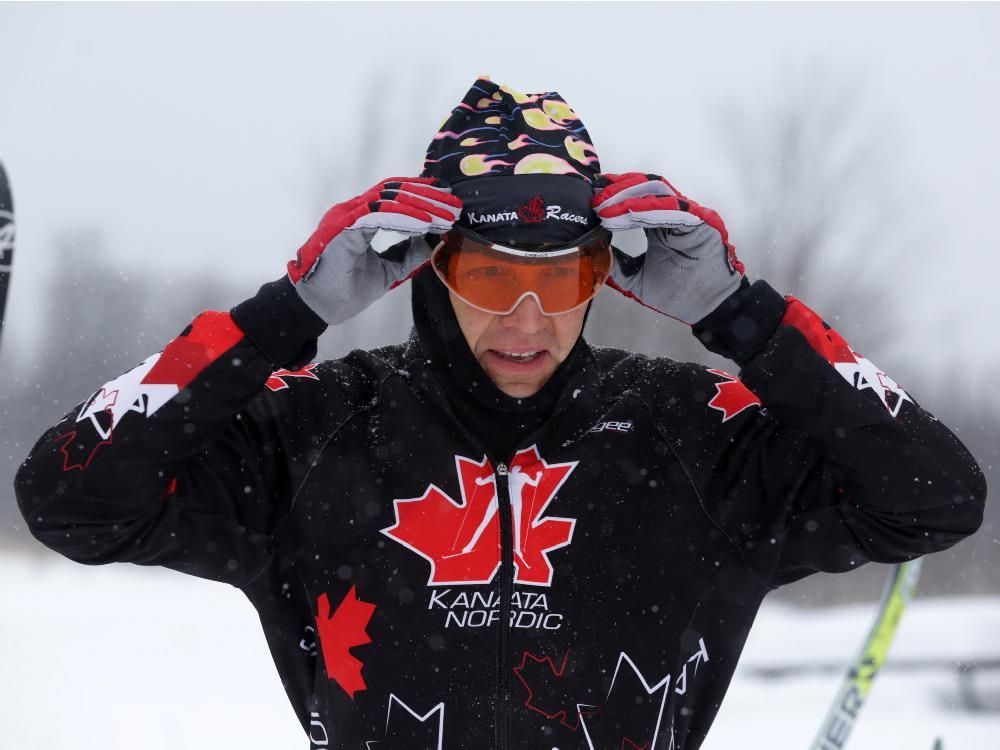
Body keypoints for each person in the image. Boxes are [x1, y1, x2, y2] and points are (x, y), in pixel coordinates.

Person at [15, 77, 986, 750]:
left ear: (603, 274)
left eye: (562, 278)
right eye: (489, 275)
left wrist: (743, 314)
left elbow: (936, 496)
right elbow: (70, 497)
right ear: (430, 266)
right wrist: (284, 315)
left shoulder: (690, 435)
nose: (527, 319)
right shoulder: (317, 429)